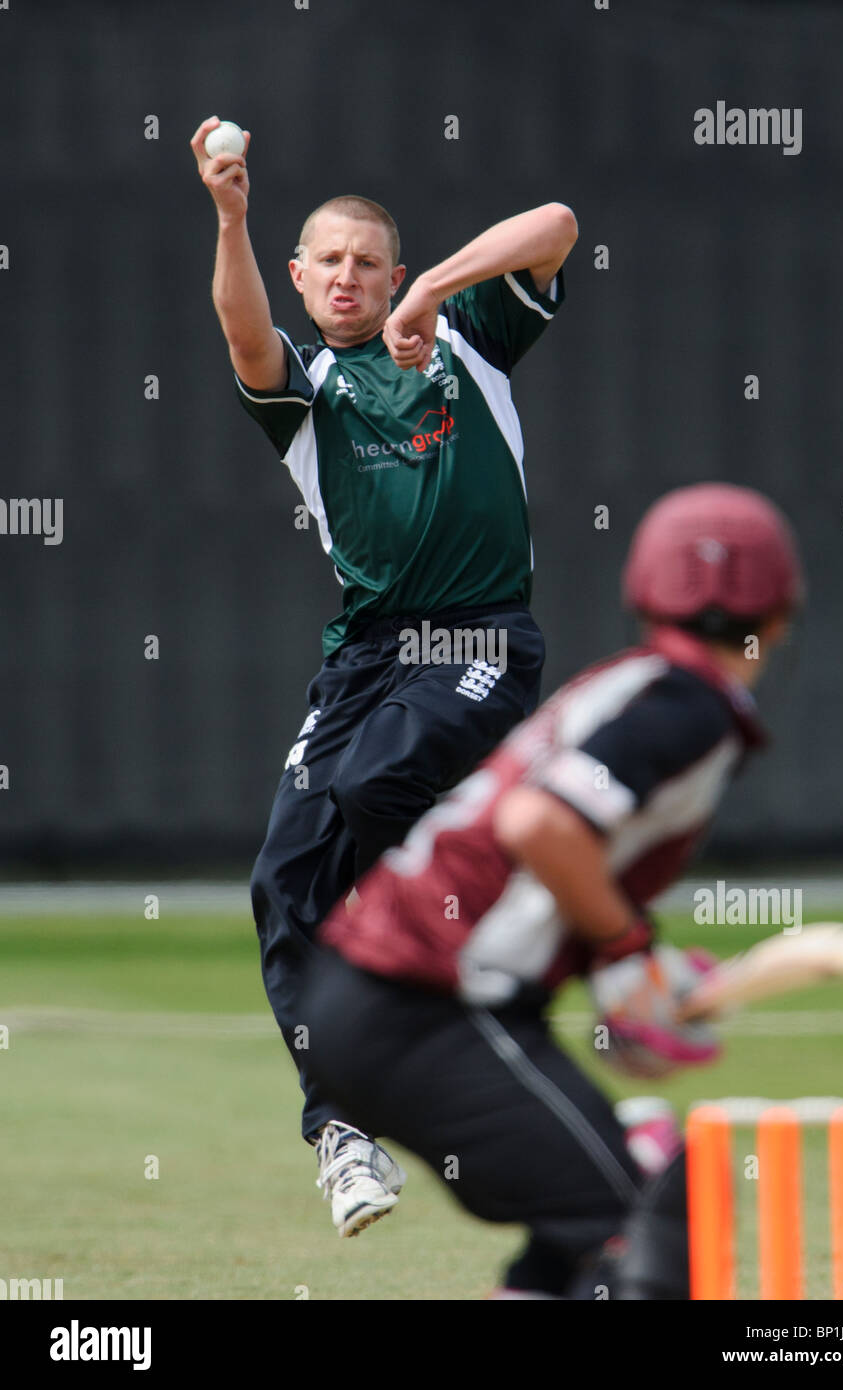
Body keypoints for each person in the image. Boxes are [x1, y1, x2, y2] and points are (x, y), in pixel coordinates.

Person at [189, 116, 578, 1235]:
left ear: (393, 274)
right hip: (365, 657)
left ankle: (491, 924)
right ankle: (346, 1132)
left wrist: (438, 295)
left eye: (370, 261)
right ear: (303, 280)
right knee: (284, 876)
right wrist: (230, 214)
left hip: (478, 639)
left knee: (373, 788)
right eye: (329, 262)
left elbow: (557, 226)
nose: (349, 276)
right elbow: (237, 325)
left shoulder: (468, 339)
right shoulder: (307, 390)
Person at [295, 483, 805, 1297]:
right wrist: (627, 952)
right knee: (641, 1227)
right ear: (779, 611)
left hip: (384, 1000)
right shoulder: (687, 704)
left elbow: (552, 845)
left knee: (584, 1234)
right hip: (424, 1009)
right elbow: (541, 824)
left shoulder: (637, 683)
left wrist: (620, 973)